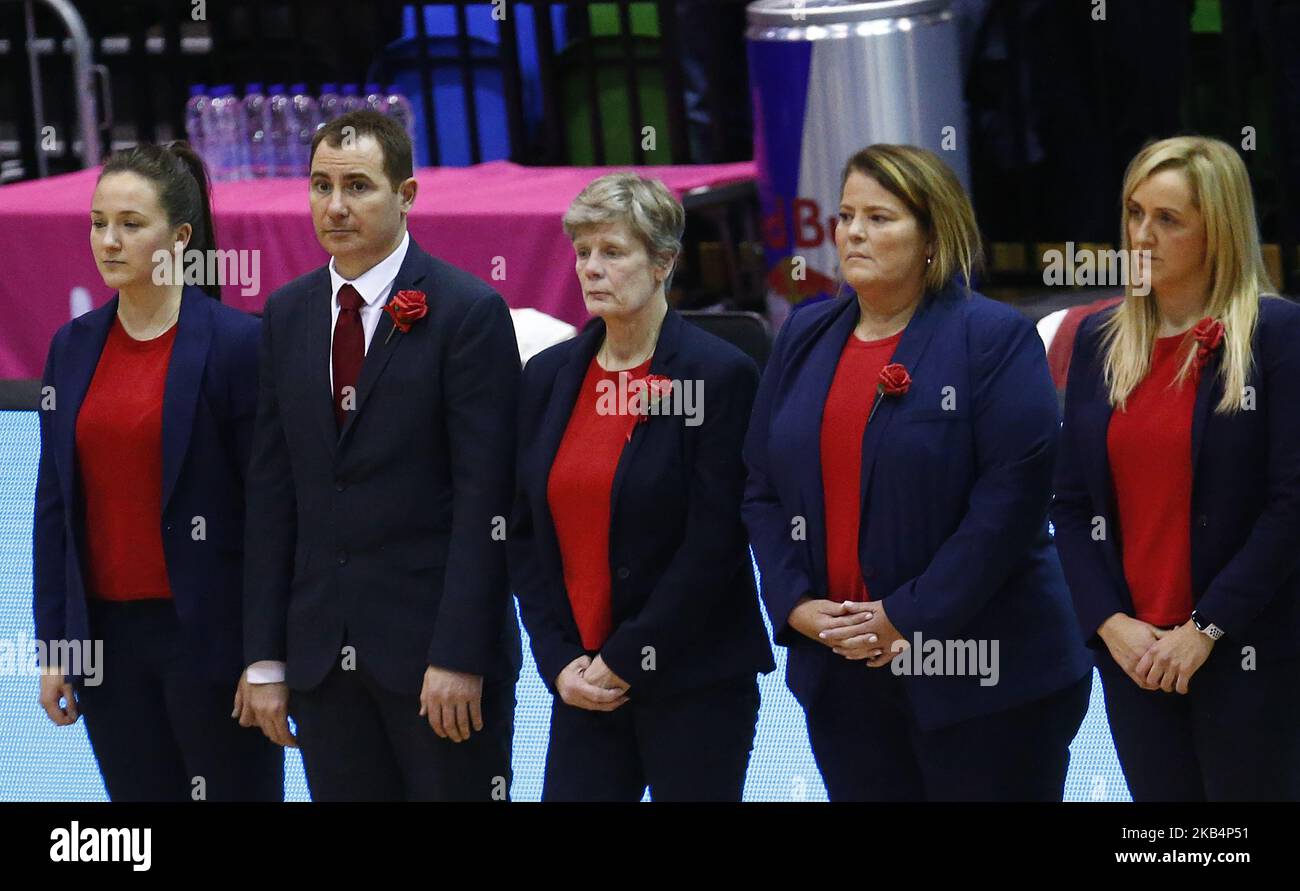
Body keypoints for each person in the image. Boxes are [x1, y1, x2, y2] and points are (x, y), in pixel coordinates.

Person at [743, 144, 1091, 801]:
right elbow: (761, 486)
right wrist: (796, 603)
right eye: (846, 216)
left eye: (880, 217)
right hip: (844, 677)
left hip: (987, 680)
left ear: (933, 237)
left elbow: (1007, 508)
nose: (854, 233)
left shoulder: (992, 338)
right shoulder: (804, 333)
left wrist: (903, 617)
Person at [239, 110, 521, 801]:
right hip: (322, 664)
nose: (335, 207)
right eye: (320, 186)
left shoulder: (467, 312)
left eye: (358, 186)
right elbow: (273, 494)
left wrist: (460, 653)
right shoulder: (286, 314)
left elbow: (487, 501)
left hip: (435, 662)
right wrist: (266, 655)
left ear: (407, 194)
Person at [509, 172, 774, 801]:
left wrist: (627, 658)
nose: (592, 269)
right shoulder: (549, 377)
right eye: (582, 253)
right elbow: (521, 529)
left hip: (694, 679)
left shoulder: (717, 375)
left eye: (613, 252)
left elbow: (716, 541)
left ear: (662, 263)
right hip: (580, 679)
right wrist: (559, 659)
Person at [1052, 136, 1300, 801]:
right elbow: (1070, 504)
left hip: (1243, 650)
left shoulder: (1276, 335)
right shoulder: (1100, 340)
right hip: (1134, 655)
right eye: (1135, 213)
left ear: (1216, 231)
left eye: (1168, 219)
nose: (1142, 235)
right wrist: (1110, 623)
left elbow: (1289, 506)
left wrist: (1205, 628)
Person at [32, 141, 282, 801]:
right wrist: (57, 644)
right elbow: (55, 504)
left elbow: (270, 512)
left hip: (210, 639)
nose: (108, 241)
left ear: (180, 236)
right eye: (97, 222)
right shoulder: (72, 345)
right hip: (108, 647)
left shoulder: (237, 344)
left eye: (130, 224)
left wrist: (264, 656)